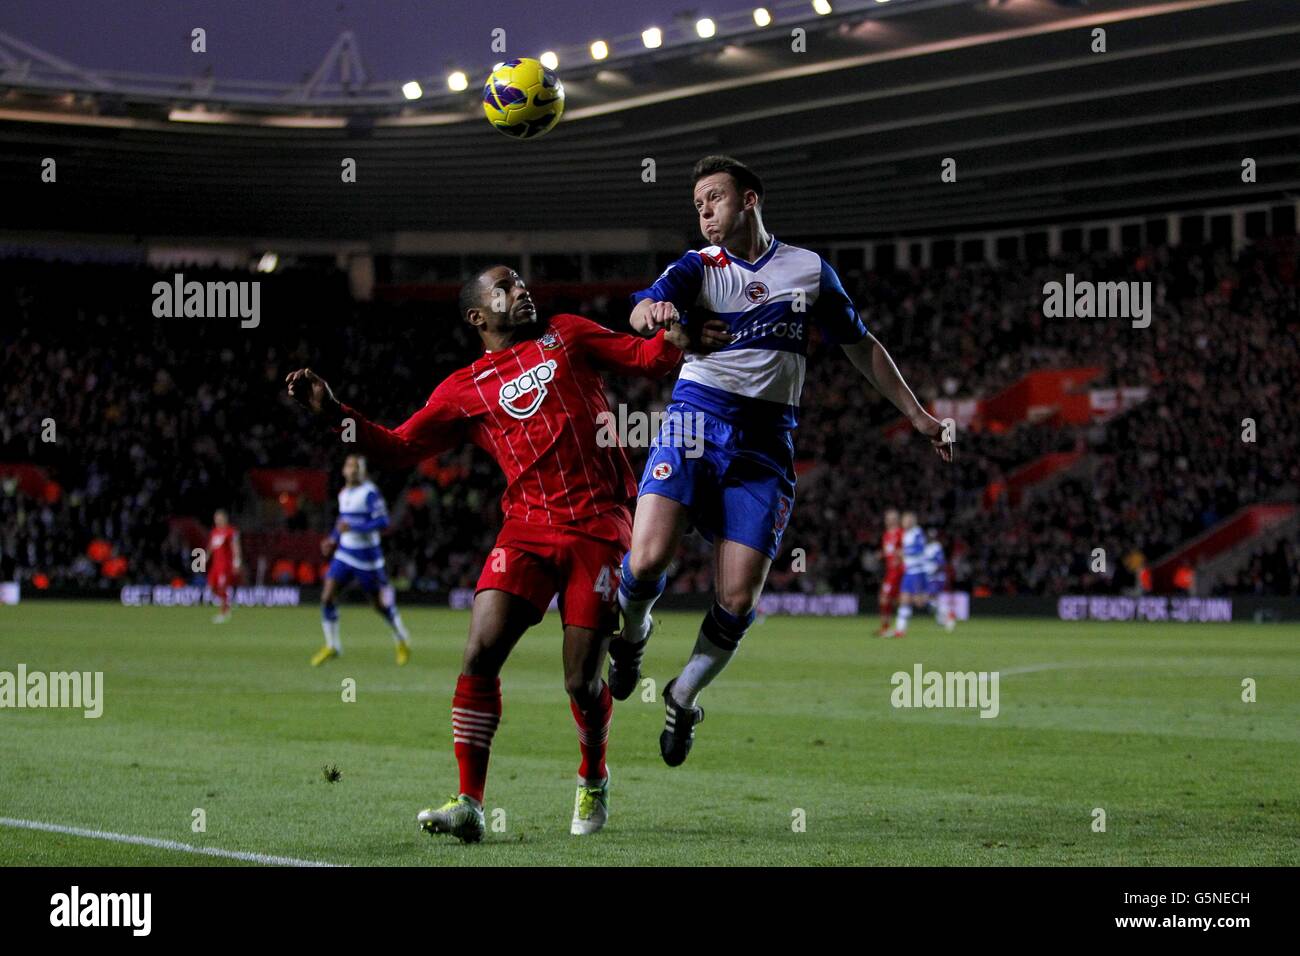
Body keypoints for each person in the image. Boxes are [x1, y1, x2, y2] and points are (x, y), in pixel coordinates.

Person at [287, 265, 725, 841]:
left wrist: (676, 336)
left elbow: (645, 359)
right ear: (478, 315)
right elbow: (397, 448)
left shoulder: (567, 333)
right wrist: (336, 414)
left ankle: (593, 773)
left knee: (578, 683)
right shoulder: (463, 389)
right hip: (524, 530)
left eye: (522, 284)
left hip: (598, 525)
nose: (522, 292)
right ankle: (468, 801)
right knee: (479, 653)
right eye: (506, 288)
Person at [612, 155, 952, 766]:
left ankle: (684, 694)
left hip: (766, 444)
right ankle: (632, 637)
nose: (705, 212)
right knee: (647, 558)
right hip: (694, 422)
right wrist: (655, 315)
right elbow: (641, 310)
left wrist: (919, 416)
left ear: (749, 200)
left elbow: (862, 346)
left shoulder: (808, 271)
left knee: (738, 600)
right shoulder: (698, 267)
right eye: (697, 205)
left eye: (713, 198)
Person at [312, 453, 412, 666]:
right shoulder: (344, 493)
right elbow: (343, 521)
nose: (353, 469)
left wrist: (354, 528)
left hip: (367, 558)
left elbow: (384, 522)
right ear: (344, 470)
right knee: (327, 596)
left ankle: (401, 638)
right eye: (350, 465)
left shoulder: (370, 493)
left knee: (379, 605)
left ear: (362, 471)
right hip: (345, 553)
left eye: (357, 466)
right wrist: (332, 539)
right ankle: (332, 645)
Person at [207, 509, 241, 623]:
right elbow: (211, 546)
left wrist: (237, 562)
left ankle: (224, 613)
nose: (217, 520)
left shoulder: (231, 531)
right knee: (211, 588)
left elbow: (235, 546)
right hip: (215, 566)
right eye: (216, 518)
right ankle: (227, 602)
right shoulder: (214, 532)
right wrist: (205, 557)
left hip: (225, 565)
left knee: (222, 588)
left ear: (224, 519)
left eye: (219, 518)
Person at [876, 508, 903, 637]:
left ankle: (887, 628)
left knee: (885, 598)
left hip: (898, 571)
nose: (887, 521)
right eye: (886, 519)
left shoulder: (901, 533)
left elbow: (906, 549)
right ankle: (889, 627)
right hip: (890, 571)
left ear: (896, 520)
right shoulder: (886, 535)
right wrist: (882, 555)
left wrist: (899, 557)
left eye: (890, 519)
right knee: (891, 599)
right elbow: (889, 551)